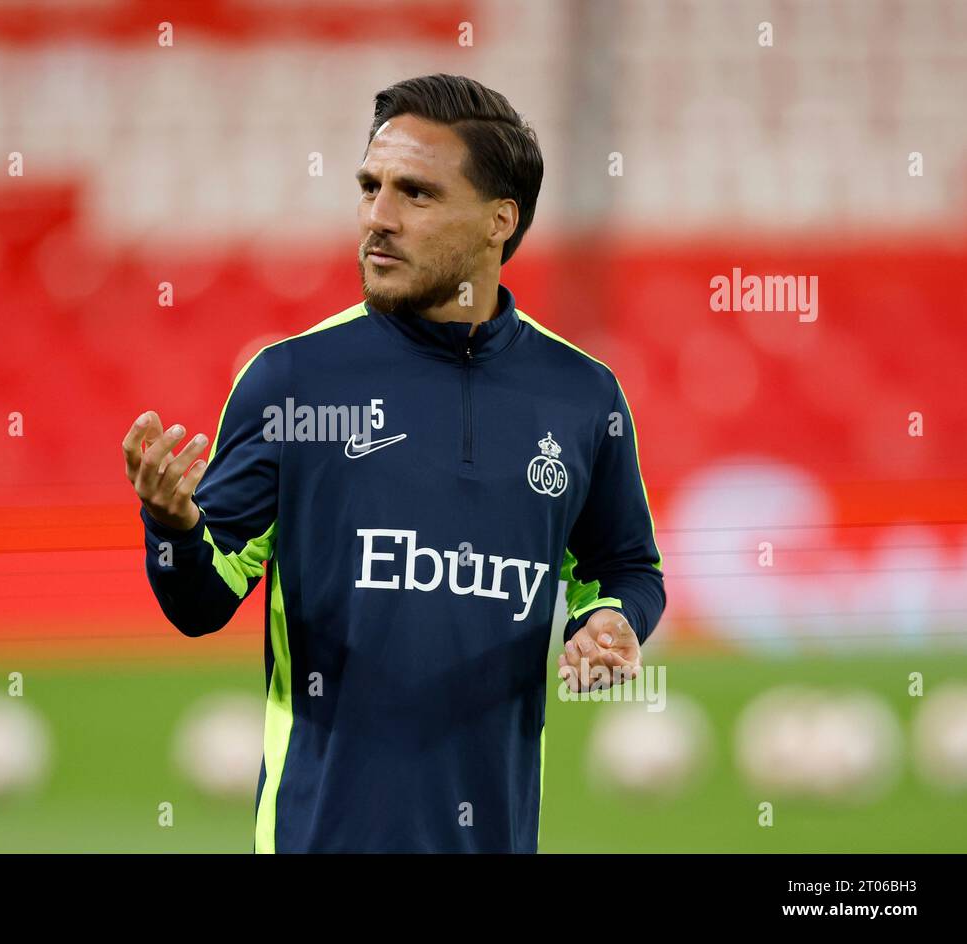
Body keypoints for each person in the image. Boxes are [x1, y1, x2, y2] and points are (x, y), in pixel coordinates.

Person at [121, 73, 665, 853]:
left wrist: (610, 618)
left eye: (417, 194)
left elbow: (625, 566)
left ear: (497, 223)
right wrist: (173, 526)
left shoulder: (582, 398)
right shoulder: (295, 382)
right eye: (370, 186)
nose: (378, 217)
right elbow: (200, 602)